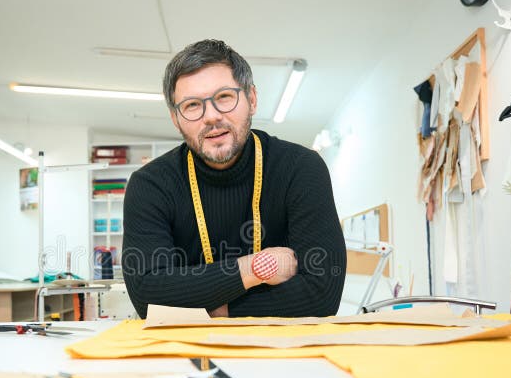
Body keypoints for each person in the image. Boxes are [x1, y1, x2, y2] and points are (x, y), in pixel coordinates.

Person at [122, 39, 346, 318]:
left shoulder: (301, 168)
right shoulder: (150, 185)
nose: (211, 117)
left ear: (251, 99)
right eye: (192, 105)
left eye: (224, 97)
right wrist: (256, 268)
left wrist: (214, 309)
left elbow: (321, 295)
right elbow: (148, 297)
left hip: (282, 349)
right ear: (175, 118)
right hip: (186, 348)